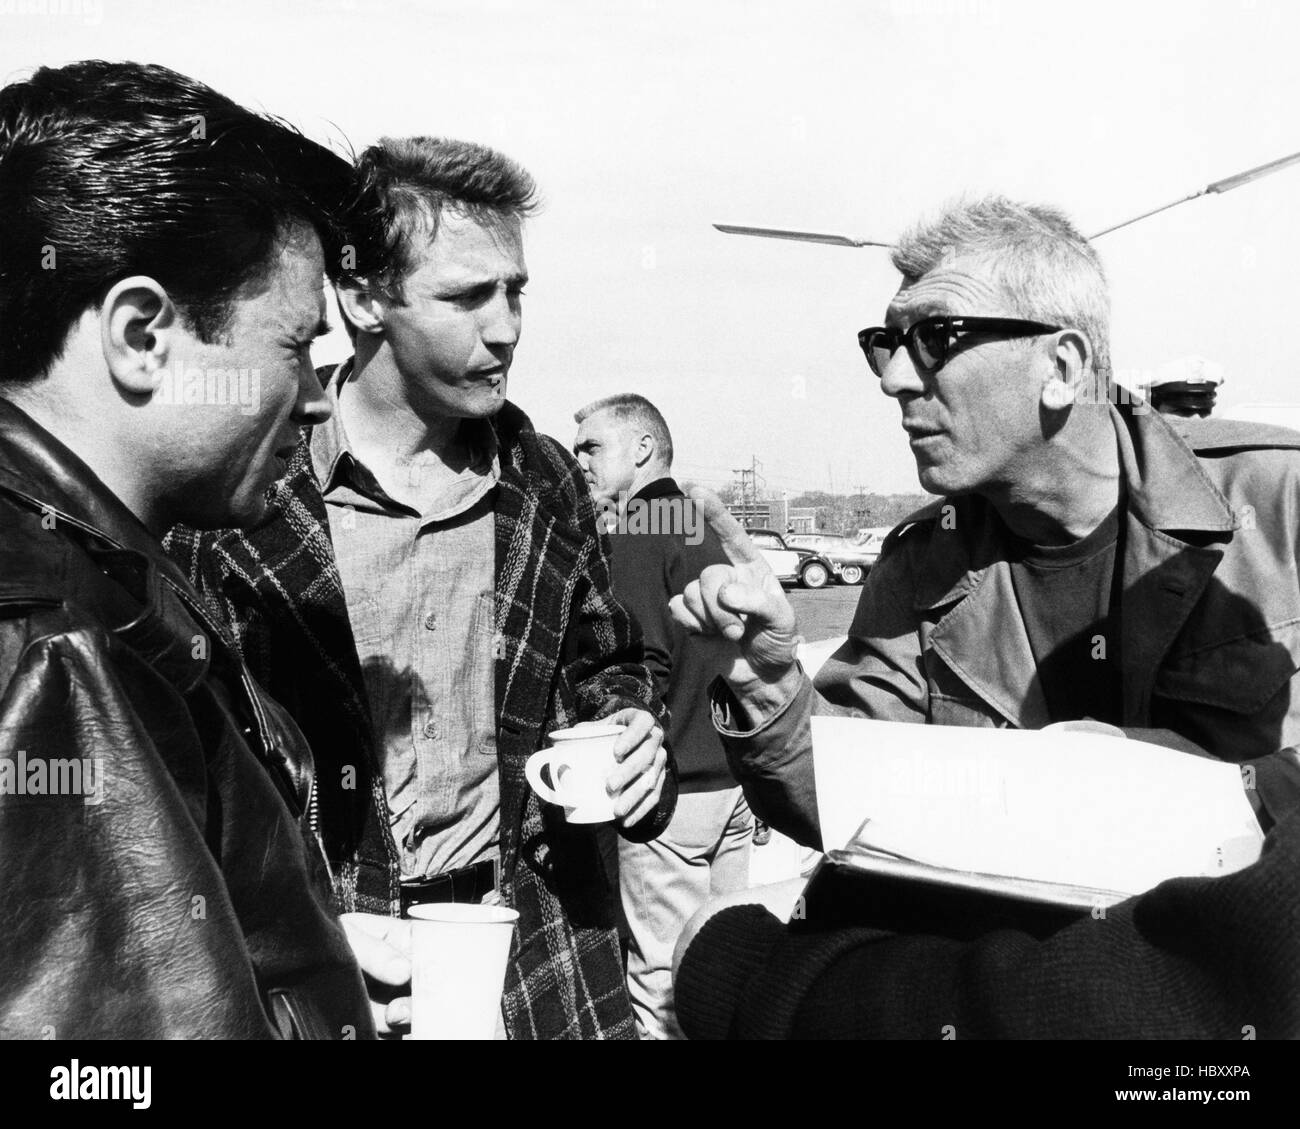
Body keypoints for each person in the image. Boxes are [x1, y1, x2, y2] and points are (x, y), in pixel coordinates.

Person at [168, 136, 674, 1040]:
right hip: (333, 958)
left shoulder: (545, 478)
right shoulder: (242, 488)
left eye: (516, 291)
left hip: (541, 954)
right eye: (468, 296)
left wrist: (633, 724)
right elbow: (183, 769)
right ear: (364, 298)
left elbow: (614, 658)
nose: (507, 326)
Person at [672, 196, 1300, 851]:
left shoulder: (1278, 500)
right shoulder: (921, 564)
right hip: (1024, 951)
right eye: (886, 344)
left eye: (937, 338)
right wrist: (771, 688)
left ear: (1061, 368)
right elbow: (852, 805)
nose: (893, 379)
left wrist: (1164, 787)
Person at [0, 60, 373, 1038]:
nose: (320, 398)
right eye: (294, 348)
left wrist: (297, 979)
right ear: (141, 335)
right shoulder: (57, 644)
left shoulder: (75, 570)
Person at [573, 393, 753, 1039]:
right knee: (731, 970)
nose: (580, 461)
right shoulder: (699, 520)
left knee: (664, 987)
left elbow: (634, 662)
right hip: (738, 785)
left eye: (593, 445)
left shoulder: (638, 530)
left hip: (671, 793)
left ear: (644, 447)